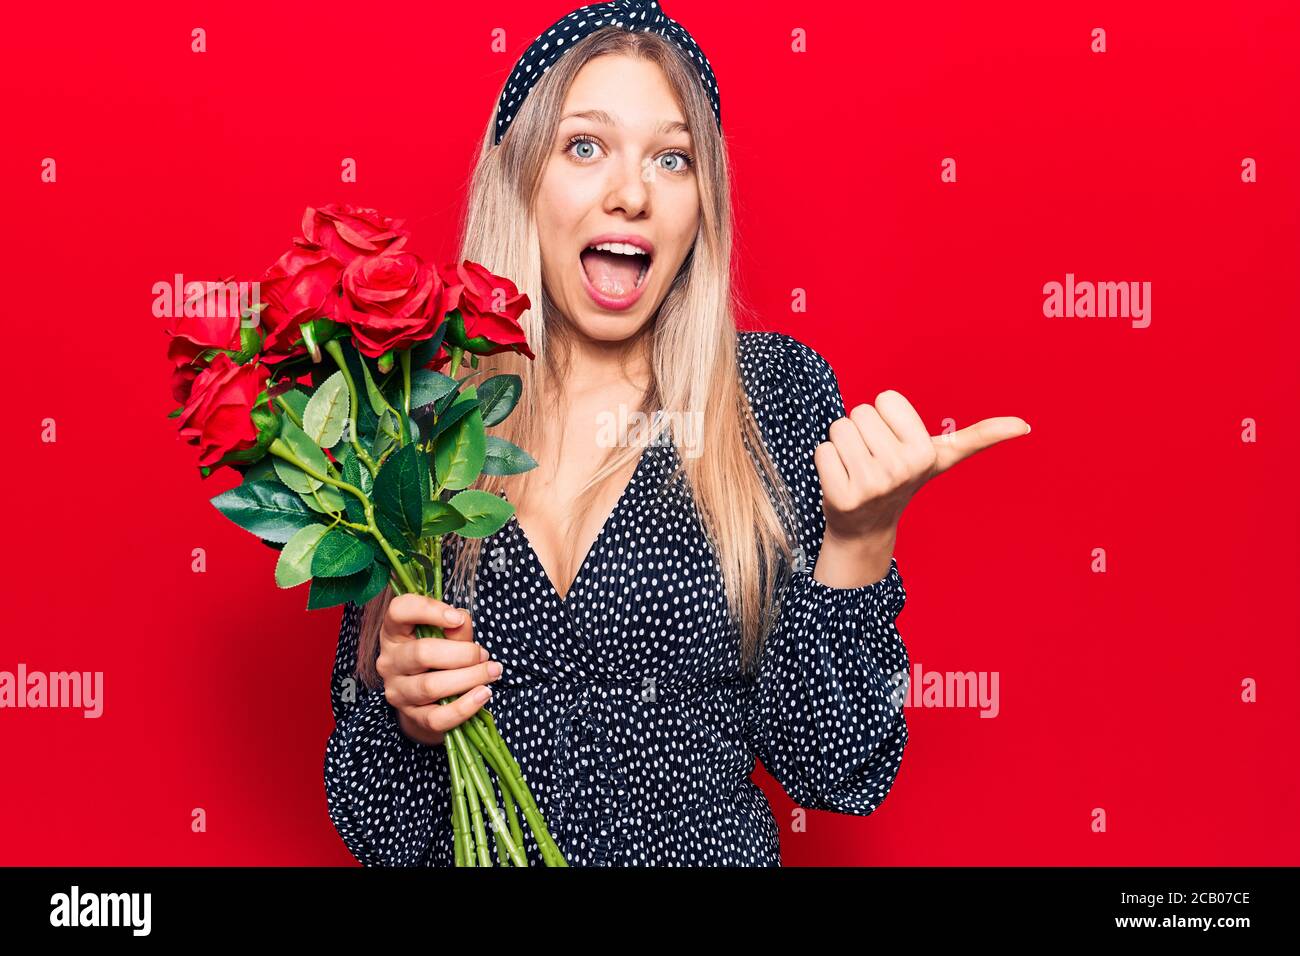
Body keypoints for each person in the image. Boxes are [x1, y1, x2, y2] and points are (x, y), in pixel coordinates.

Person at [324, 0, 1029, 867]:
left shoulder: (772, 397)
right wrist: (389, 695)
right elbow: (376, 829)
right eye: (586, 146)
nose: (632, 193)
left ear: (703, 204)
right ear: (519, 174)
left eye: (673, 158)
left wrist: (860, 542)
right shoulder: (420, 413)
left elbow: (837, 771)